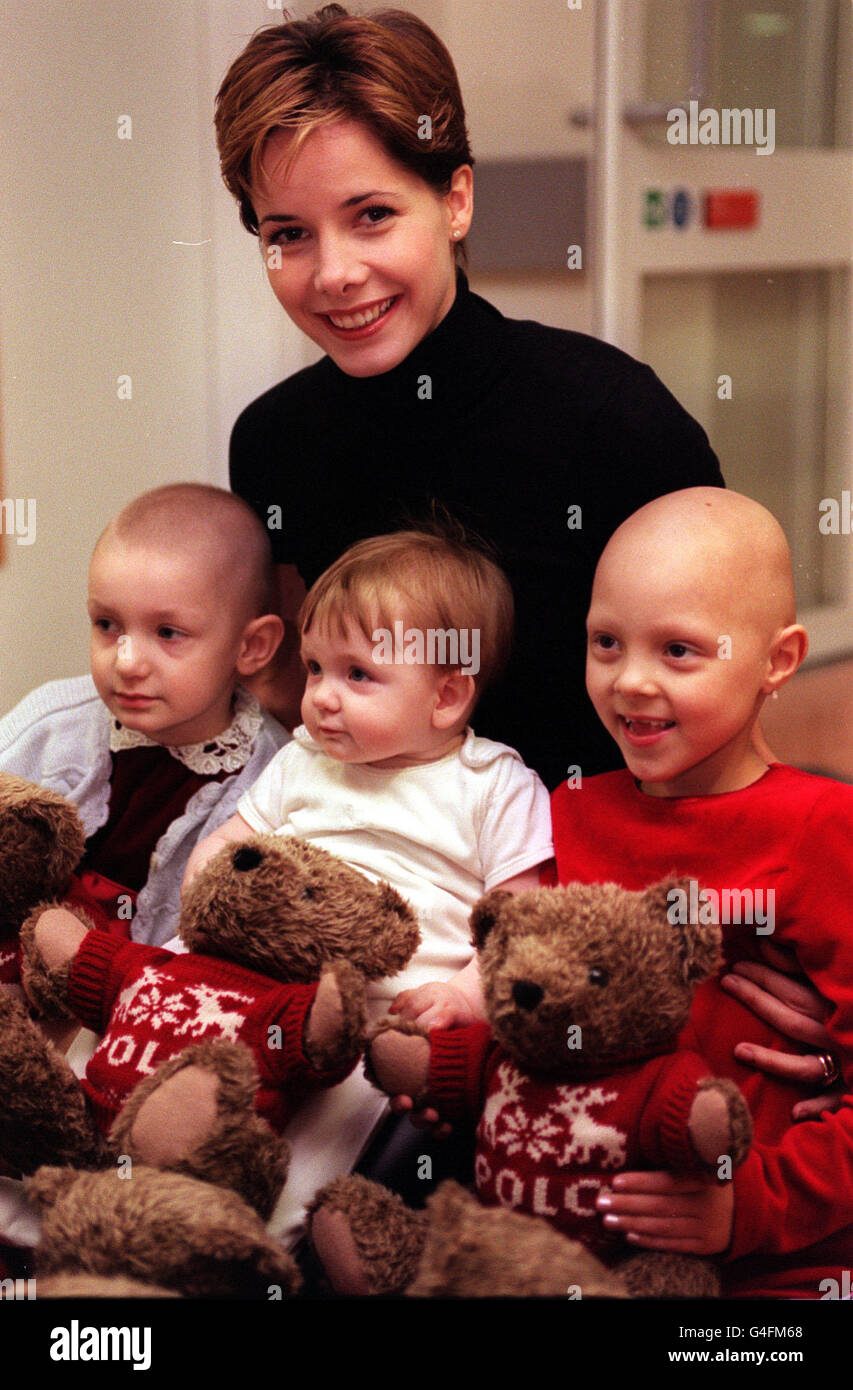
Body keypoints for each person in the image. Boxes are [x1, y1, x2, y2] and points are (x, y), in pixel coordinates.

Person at [213, 3, 725, 794]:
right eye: (289, 234)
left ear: (455, 201)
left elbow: (716, 709)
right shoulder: (273, 440)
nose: (333, 273)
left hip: (580, 867)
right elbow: (290, 696)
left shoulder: (613, 421)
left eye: (372, 216)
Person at [184, 527, 554, 1243]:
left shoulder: (491, 784)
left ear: (446, 696)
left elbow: (521, 920)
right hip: (260, 979)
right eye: (315, 666)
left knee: (323, 1136)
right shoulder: (301, 760)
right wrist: (205, 892)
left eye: (357, 675)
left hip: (381, 1016)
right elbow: (232, 842)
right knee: (166, 1043)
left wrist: (462, 996)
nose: (320, 696)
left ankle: (259, 1243)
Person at [549, 486, 852, 1297]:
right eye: (605, 642)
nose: (630, 683)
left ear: (777, 661)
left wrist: (752, 1204)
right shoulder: (566, 811)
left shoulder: (824, 828)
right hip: (576, 1242)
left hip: (776, 1259)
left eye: (678, 651)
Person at [0, 483, 287, 962]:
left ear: (251, 646)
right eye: (107, 625)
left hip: (147, 1006)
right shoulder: (51, 723)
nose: (128, 661)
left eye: (168, 633)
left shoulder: (276, 778)